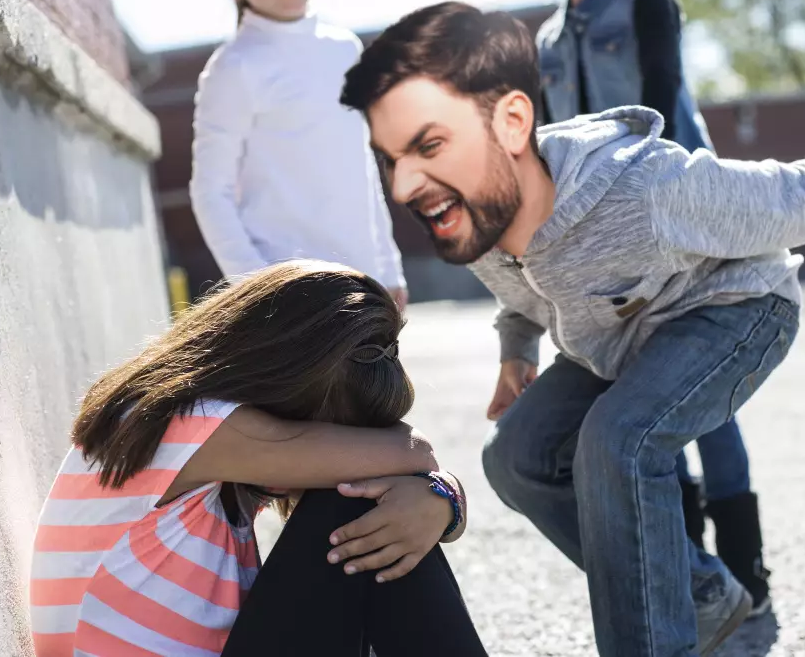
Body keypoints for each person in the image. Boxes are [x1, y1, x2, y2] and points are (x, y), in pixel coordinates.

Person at [340, 2, 805, 656]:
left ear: (512, 123)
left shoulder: (642, 187)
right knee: (516, 458)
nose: (409, 183)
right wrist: (515, 351)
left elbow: (787, 194)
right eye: (391, 160)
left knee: (620, 440)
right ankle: (698, 593)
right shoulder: (475, 221)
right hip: (619, 341)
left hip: (734, 310)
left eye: (431, 146)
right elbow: (520, 297)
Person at [28, 261, 488, 656]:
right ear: (284, 381)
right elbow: (415, 453)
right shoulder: (188, 422)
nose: (333, 449)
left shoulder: (209, 444)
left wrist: (440, 498)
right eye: (330, 430)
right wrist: (437, 489)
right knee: (355, 502)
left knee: (378, 512)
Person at [532, 0, 767, 606]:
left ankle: (746, 570)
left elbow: (663, 103)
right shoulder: (543, 39)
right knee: (646, 400)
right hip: (605, 248)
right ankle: (697, 577)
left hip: (682, 222)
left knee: (706, 401)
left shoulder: (647, 4)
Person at [190, 0, 407, 309]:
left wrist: (389, 268)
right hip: (290, 300)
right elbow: (209, 192)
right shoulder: (235, 68)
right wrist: (259, 289)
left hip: (364, 286)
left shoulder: (344, 48)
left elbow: (361, 169)